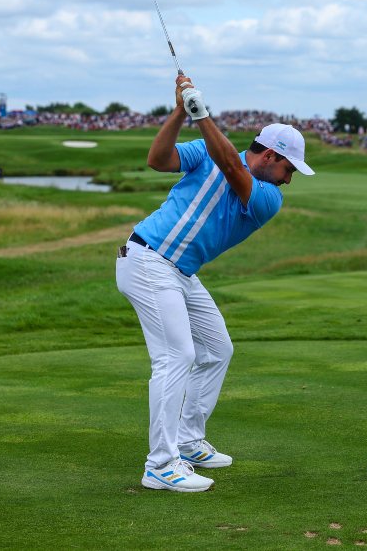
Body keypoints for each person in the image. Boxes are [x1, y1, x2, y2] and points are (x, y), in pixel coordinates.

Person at [116, 74, 315, 493]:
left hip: (179, 273)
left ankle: (188, 441)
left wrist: (200, 114)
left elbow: (231, 166)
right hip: (149, 259)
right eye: (288, 168)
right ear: (272, 155)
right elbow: (158, 159)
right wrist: (179, 111)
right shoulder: (204, 154)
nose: (289, 179)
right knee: (177, 357)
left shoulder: (266, 197)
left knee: (217, 348)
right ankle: (161, 464)